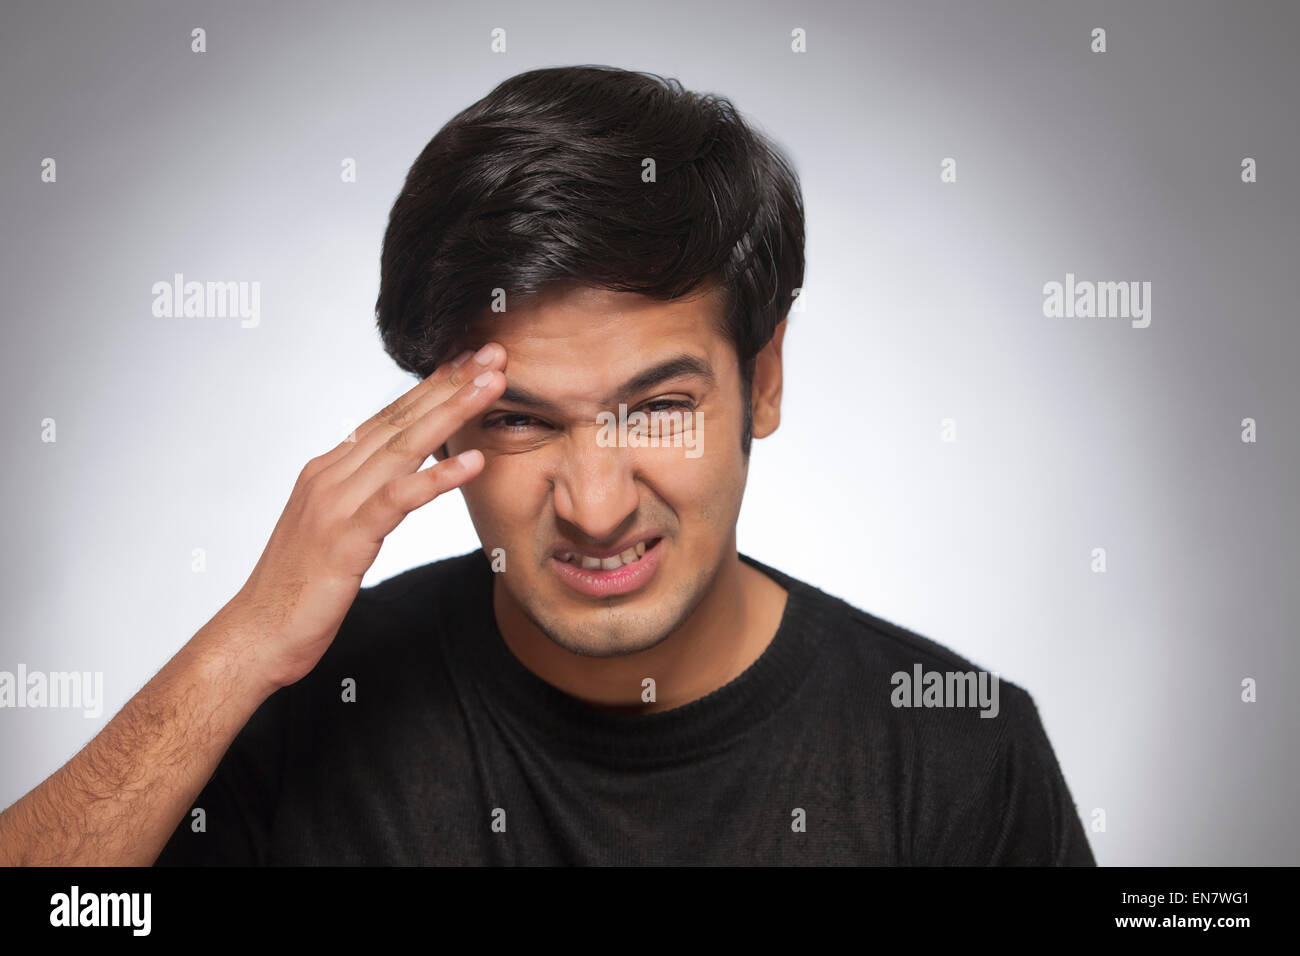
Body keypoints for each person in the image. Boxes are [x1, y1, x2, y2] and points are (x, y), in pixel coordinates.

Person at [0, 65, 1094, 866]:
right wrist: (240, 645)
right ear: (435, 417)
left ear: (761, 379)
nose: (596, 505)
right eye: (521, 421)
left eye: (659, 408)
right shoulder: (304, 715)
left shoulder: (956, 748)